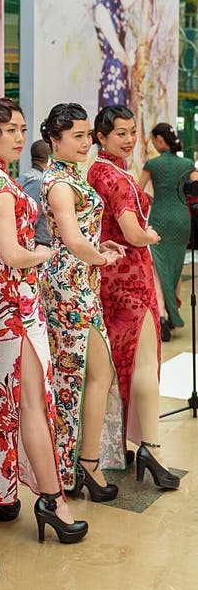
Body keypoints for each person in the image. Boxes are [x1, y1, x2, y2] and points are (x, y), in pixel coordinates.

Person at [0, 98, 87, 544]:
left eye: (21, 129)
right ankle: (53, 499)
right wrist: (47, 253)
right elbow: (13, 253)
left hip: (1, 305)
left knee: (3, 405)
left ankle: (1, 496)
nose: (19, 137)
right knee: (33, 403)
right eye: (11, 130)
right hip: (15, 303)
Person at [88, 105, 180, 489]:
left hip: (105, 274)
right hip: (131, 275)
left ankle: (126, 443)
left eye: (130, 132)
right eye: (120, 133)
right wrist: (151, 235)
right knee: (144, 362)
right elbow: (133, 230)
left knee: (115, 363)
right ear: (101, 137)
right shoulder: (118, 177)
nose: (128, 139)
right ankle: (151, 448)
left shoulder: (94, 171)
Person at [40, 102, 126, 500]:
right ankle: (74, 468)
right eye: (76, 135)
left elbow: (81, 235)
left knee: (95, 373)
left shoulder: (72, 175)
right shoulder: (58, 182)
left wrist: (99, 245)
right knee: (74, 379)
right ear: (54, 140)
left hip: (81, 281)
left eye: (87, 134)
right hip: (67, 286)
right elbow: (71, 241)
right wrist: (100, 255)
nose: (85, 141)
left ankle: (83, 462)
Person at [139, 122, 197, 339]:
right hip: (182, 218)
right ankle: (172, 315)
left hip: (160, 217)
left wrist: (152, 199)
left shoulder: (152, 164)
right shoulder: (188, 163)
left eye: (154, 139)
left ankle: (162, 314)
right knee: (175, 266)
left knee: (159, 267)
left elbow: (138, 189)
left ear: (160, 140)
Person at [94, 0, 143, 108]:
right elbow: (118, 50)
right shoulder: (101, 8)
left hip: (121, 76)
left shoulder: (117, 4)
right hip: (111, 77)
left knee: (123, 126)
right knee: (115, 127)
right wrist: (131, 56)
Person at [17, 139, 51, 248]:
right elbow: (31, 217)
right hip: (38, 246)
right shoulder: (38, 183)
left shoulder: (23, 178)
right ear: (49, 158)